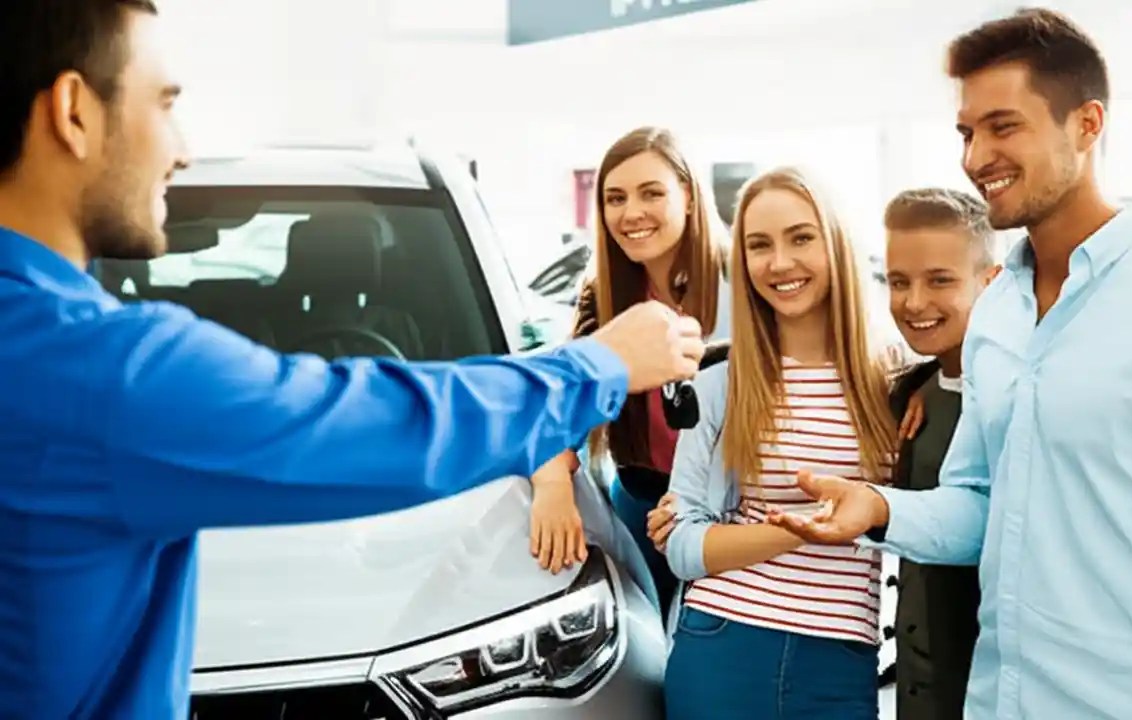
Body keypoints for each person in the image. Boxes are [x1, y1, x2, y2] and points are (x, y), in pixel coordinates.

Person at [0, 3, 706, 718]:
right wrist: (598, 366)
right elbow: (356, 421)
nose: (180, 149)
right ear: (73, 112)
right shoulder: (94, 370)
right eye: (164, 104)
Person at [768, 8, 1132, 720]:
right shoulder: (1000, 310)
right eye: (967, 132)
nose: (976, 157)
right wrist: (880, 509)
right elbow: (981, 503)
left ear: (1087, 124)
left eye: (1004, 126)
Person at [661, 166, 898, 720]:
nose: (780, 263)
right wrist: (811, 526)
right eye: (759, 245)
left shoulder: (898, 383)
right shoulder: (720, 382)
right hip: (723, 643)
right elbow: (681, 545)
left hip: (842, 656)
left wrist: (855, 515)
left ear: (835, 242)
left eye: (801, 238)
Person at [526, 126, 730, 613]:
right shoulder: (605, 295)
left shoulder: (740, 282)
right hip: (640, 500)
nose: (630, 212)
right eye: (614, 198)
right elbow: (562, 394)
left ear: (688, 193)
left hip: (729, 510)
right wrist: (552, 480)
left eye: (651, 193)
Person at [881, 187, 999, 719]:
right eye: (899, 282)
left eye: (940, 280)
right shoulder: (914, 395)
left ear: (991, 282)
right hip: (917, 686)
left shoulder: (1010, 404)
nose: (914, 302)